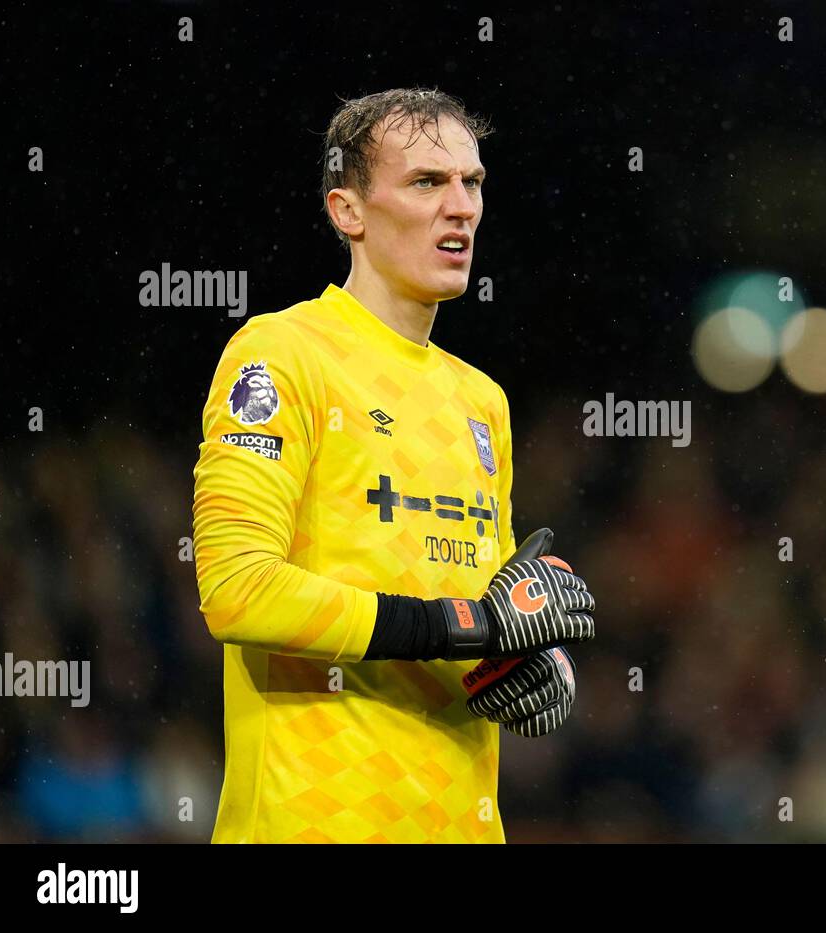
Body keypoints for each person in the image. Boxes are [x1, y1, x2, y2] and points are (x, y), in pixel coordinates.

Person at [191, 88, 595, 843]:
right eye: (425, 182)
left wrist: (526, 657)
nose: (461, 207)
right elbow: (237, 590)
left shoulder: (484, 402)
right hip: (311, 825)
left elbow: (482, 621)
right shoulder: (281, 355)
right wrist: (466, 624)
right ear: (348, 211)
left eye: (471, 183)